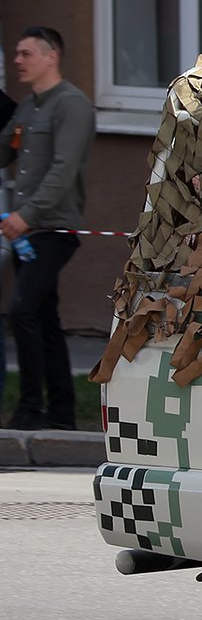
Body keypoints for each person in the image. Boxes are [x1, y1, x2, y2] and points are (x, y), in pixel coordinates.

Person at [1, 26, 94, 430]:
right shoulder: (29, 107)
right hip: (28, 231)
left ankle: (29, 411)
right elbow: (6, 150)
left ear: (50, 55)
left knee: (22, 311)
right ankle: (61, 415)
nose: (18, 60)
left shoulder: (71, 105)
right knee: (45, 318)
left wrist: (27, 215)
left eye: (25, 54)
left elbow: (63, 170)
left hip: (51, 229)